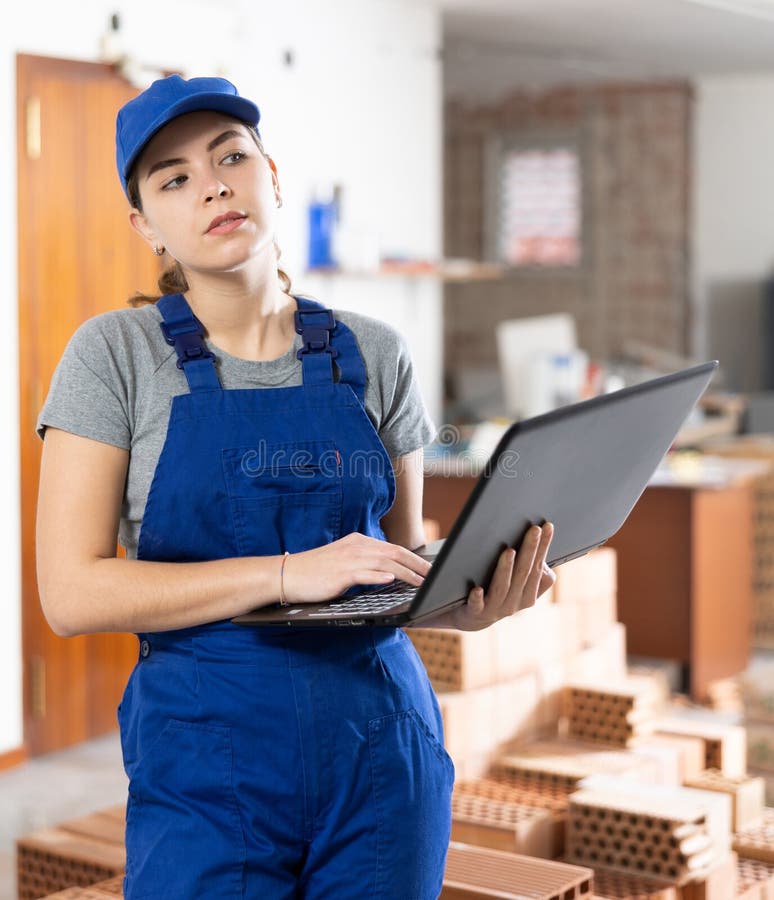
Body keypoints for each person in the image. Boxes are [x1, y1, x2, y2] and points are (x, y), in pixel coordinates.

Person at [35, 74, 556, 899]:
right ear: (146, 226)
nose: (211, 185)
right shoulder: (114, 356)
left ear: (271, 176)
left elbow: (399, 563)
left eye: (229, 157)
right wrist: (286, 574)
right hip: (206, 761)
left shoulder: (375, 353)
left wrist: (472, 598)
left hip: (379, 751)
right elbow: (71, 594)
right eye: (173, 179)